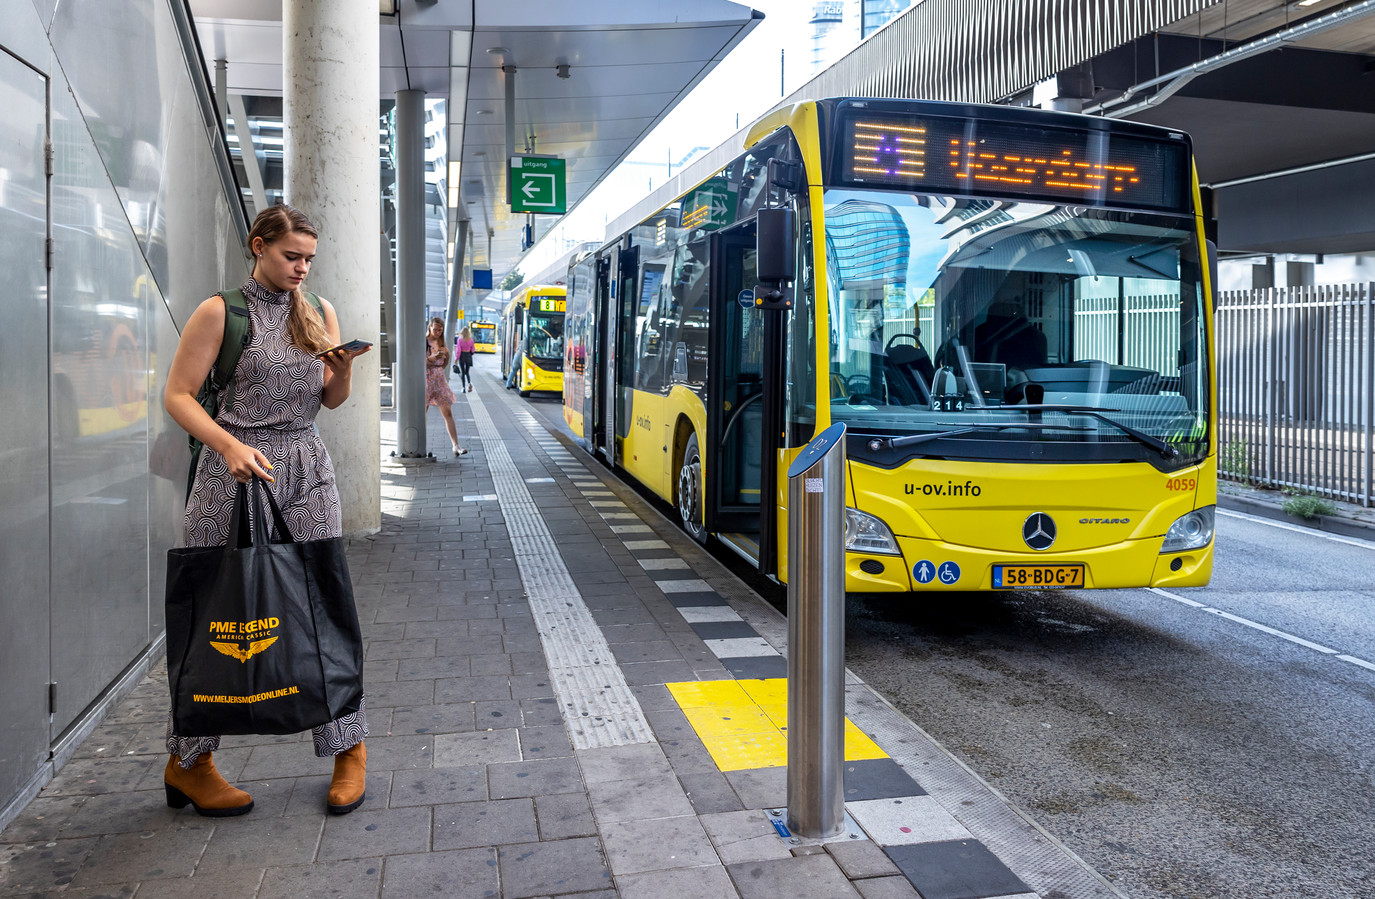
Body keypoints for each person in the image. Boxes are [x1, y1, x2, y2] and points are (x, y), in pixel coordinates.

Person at [162, 204, 370, 817]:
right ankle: (189, 762)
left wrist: (342, 373)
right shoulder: (219, 312)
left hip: (305, 471)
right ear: (258, 246)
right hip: (230, 475)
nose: (302, 267)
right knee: (215, 612)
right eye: (290, 256)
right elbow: (177, 395)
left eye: (309, 257)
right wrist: (227, 445)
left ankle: (347, 749)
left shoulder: (318, 311)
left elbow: (329, 402)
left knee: (322, 606)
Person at [426, 317, 467, 456]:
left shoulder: (442, 344)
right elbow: (419, 361)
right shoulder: (424, 342)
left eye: (440, 330)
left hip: (439, 380)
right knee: (422, 413)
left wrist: (442, 357)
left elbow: (444, 364)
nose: (437, 332)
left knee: (448, 412)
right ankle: (418, 445)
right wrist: (434, 359)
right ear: (429, 327)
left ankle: (456, 445)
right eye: (435, 329)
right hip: (425, 379)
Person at [455, 325, 475, 392]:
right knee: (467, 372)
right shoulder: (471, 340)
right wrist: (470, 354)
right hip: (468, 356)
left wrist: (456, 359)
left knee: (463, 373)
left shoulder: (459, 340)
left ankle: (463, 388)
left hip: (462, 356)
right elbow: (473, 350)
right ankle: (469, 384)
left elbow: (458, 350)